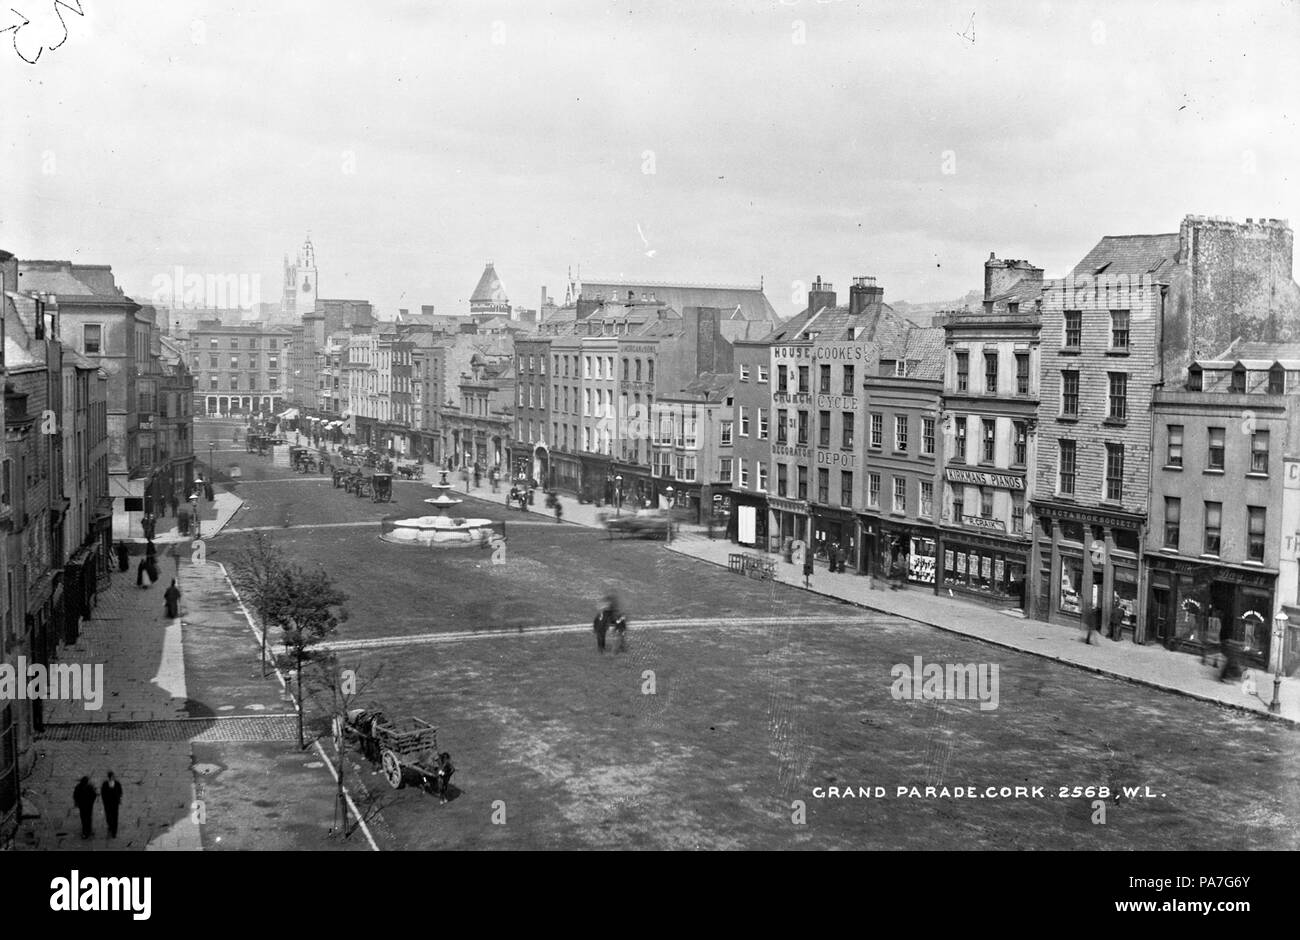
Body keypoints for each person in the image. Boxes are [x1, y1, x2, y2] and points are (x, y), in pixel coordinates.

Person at [101, 771, 123, 839]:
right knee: (108, 816)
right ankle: (110, 826)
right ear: (109, 777)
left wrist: (119, 798)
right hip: (107, 803)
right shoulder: (105, 784)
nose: (114, 777)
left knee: (115, 817)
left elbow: (120, 791)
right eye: (112, 776)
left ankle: (114, 832)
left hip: (115, 803)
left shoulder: (117, 783)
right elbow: (103, 793)